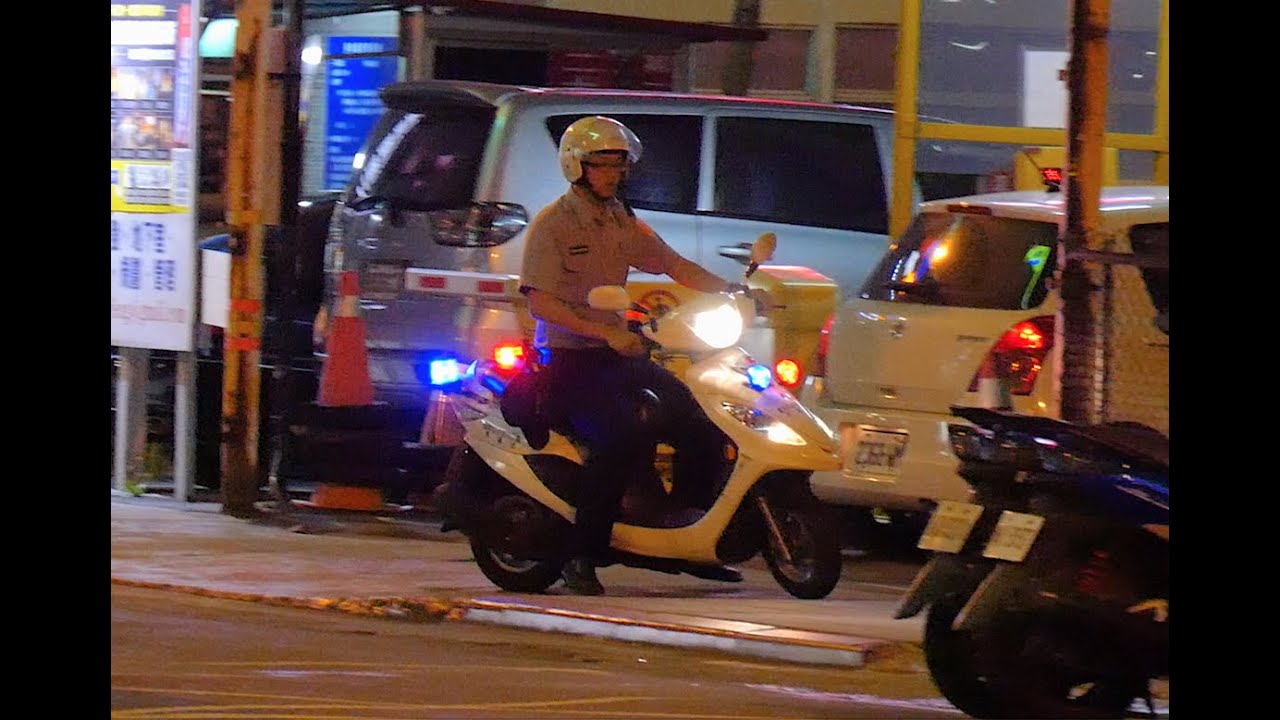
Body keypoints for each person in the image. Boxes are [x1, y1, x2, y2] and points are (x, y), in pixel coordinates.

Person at [519, 115, 772, 596]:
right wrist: (602, 332)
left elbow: (672, 264)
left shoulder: (621, 219)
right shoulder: (554, 225)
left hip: (620, 355)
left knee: (700, 424)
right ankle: (581, 554)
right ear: (577, 167)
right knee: (618, 439)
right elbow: (540, 301)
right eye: (602, 166)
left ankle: (685, 539)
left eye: (619, 166)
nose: (613, 175)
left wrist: (733, 289)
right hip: (570, 361)